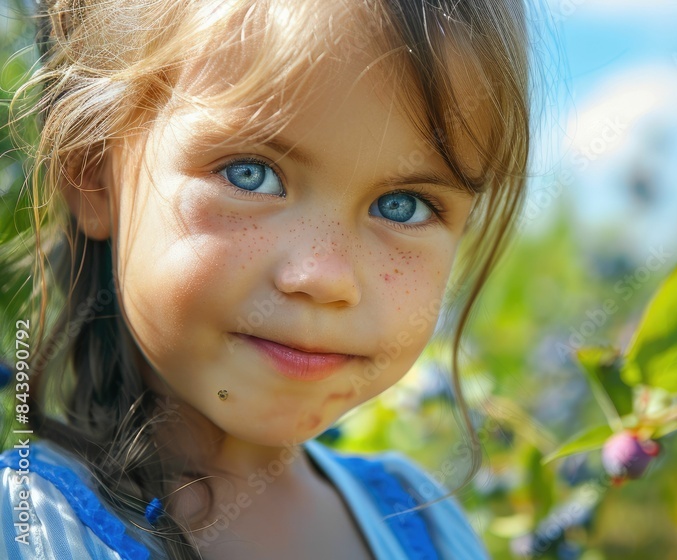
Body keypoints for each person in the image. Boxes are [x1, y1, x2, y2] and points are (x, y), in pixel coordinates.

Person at [0, 0, 533, 557]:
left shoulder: (425, 523)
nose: (325, 278)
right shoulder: (29, 530)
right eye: (250, 174)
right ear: (92, 171)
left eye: (403, 206)